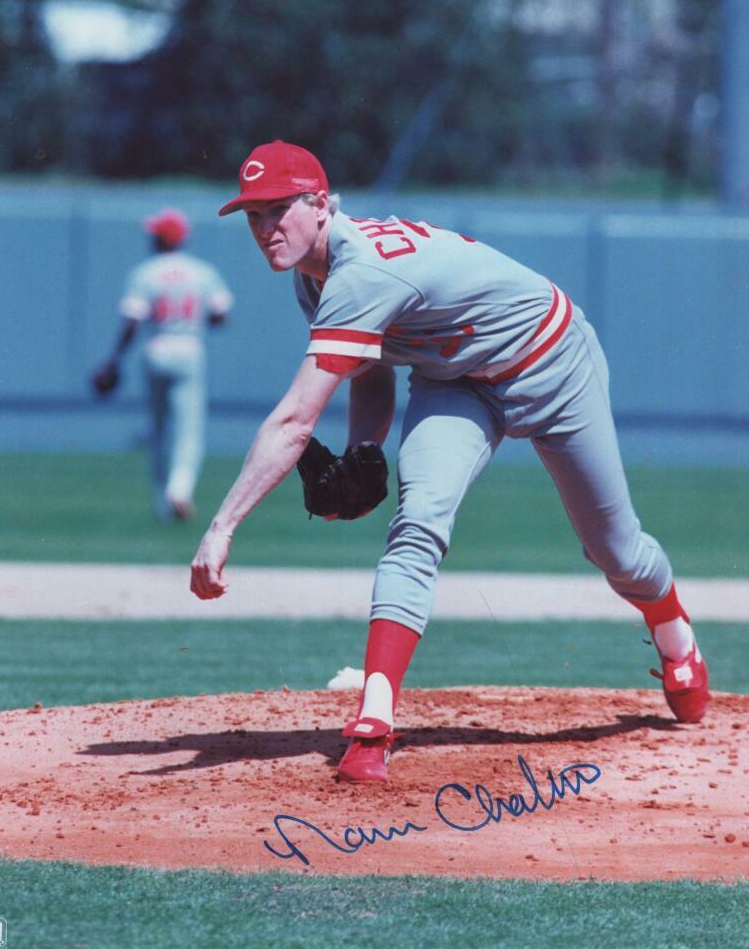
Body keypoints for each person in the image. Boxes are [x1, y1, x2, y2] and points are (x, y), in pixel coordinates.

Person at [189, 140, 710, 783]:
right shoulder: (313, 279)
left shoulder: (360, 273)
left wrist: (223, 526)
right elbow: (370, 371)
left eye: (279, 210)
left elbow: (295, 420)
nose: (266, 228)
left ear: (320, 205)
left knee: (616, 550)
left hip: (552, 363)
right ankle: (373, 724)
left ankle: (675, 635)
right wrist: (362, 451)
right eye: (254, 215)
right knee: (418, 521)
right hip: (457, 383)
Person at [92, 209, 234, 520]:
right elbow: (221, 315)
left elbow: (132, 321)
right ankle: (179, 491)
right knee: (189, 430)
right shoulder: (202, 271)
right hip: (189, 347)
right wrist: (198, 320)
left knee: (158, 428)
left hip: (156, 348)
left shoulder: (146, 272)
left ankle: (162, 501)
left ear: (160, 239)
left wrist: (114, 359)